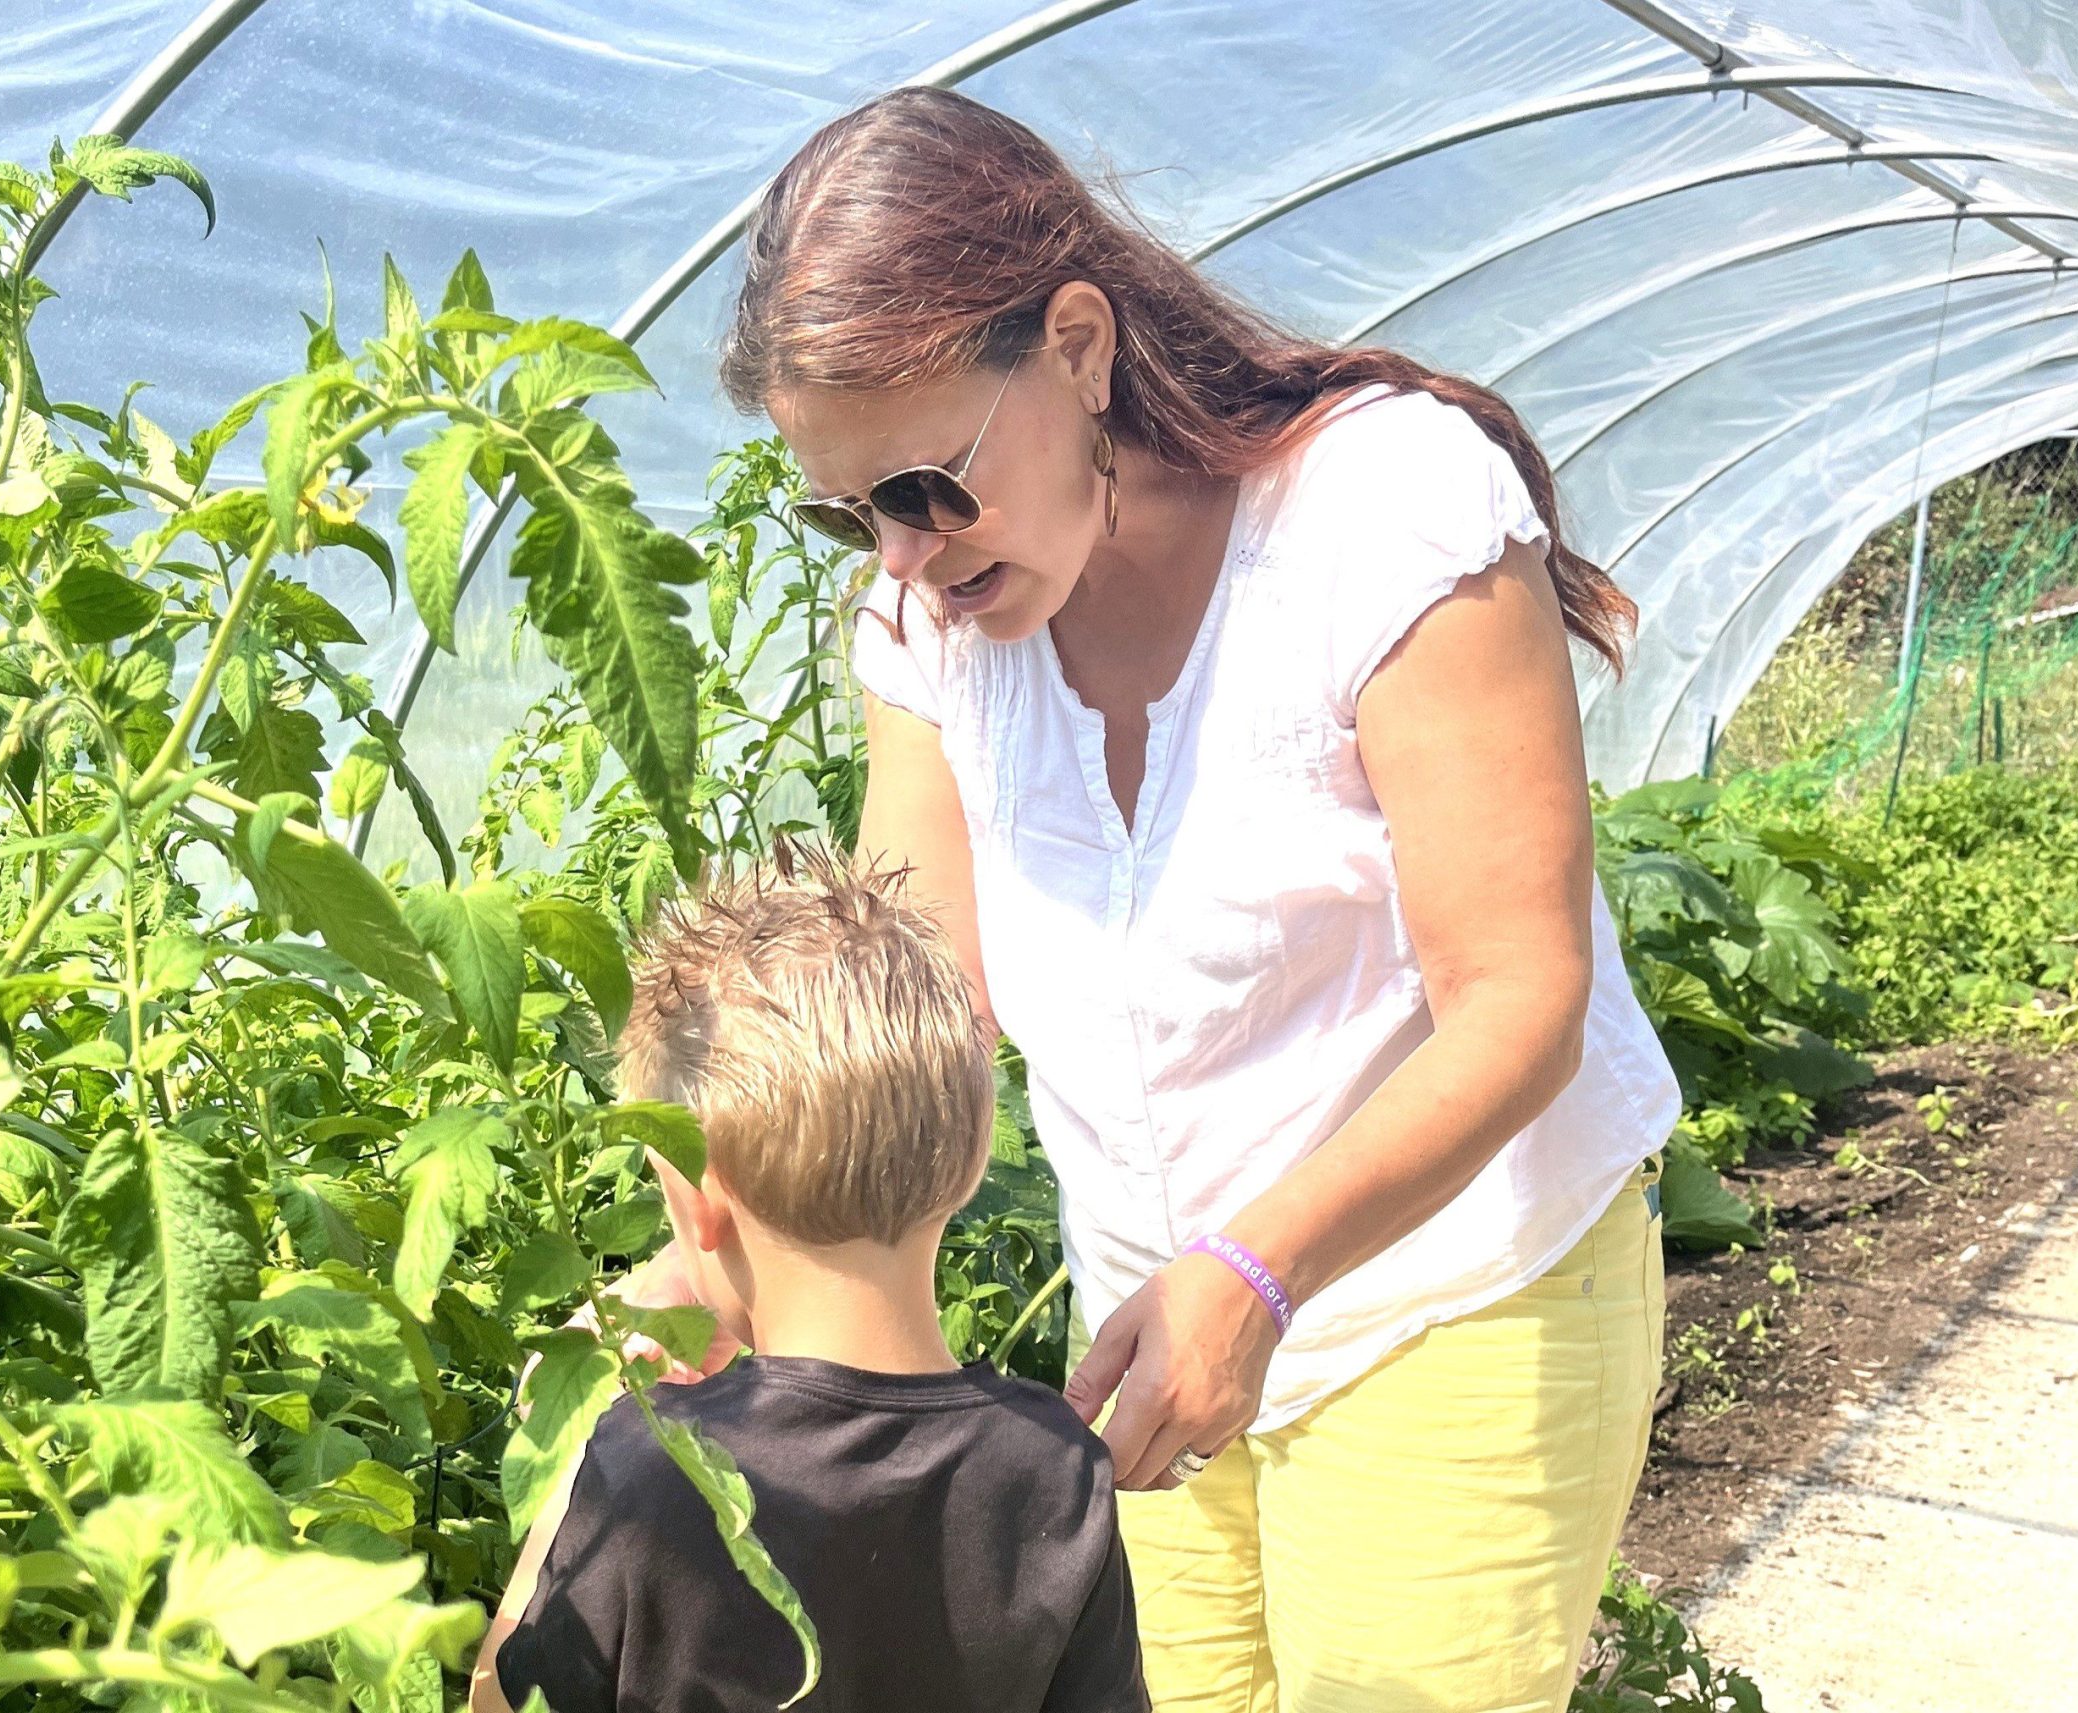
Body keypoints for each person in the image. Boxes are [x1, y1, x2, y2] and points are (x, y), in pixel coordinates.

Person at [687, 87, 1683, 1713]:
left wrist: (1263, 1270)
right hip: (1151, 1317)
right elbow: (915, 990)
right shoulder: (933, 625)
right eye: (852, 508)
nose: (901, 556)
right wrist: (736, 1230)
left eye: (929, 485)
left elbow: (1521, 996)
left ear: (1078, 344)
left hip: (1446, 1290)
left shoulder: (1380, 514)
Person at [471, 842, 1151, 1713]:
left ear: (693, 1196)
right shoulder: (1056, 1472)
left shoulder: (647, 1474)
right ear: (974, 1153)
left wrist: (574, 1465)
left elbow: (504, 1703)